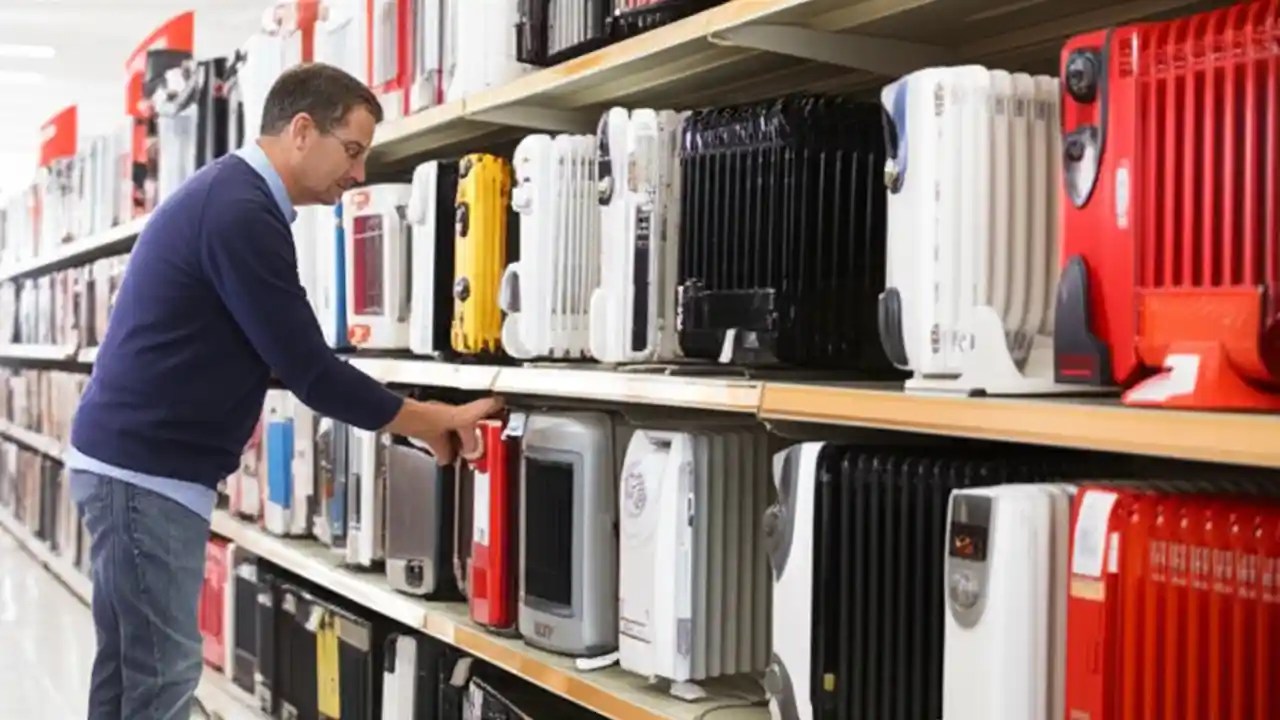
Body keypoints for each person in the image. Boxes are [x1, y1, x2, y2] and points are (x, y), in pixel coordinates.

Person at [65, 62, 502, 720]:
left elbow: (274, 357)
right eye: (352, 151)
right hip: (143, 477)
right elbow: (309, 370)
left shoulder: (233, 197)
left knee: (130, 670)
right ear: (302, 130)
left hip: (129, 466)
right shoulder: (241, 212)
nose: (357, 175)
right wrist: (428, 418)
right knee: (162, 678)